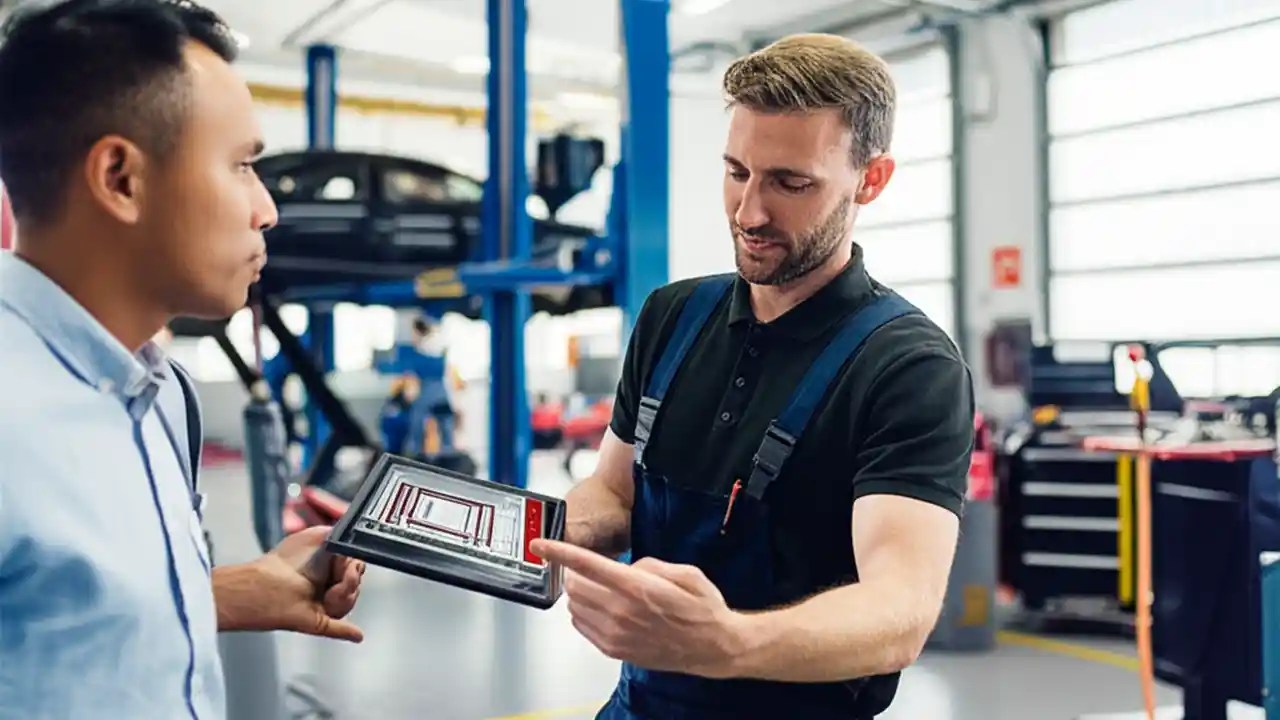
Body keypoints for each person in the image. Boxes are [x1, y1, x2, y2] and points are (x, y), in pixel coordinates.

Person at [530, 33, 975, 719]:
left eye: (789, 183)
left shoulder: (908, 367)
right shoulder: (671, 317)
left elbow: (901, 609)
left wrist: (730, 642)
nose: (749, 213)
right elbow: (613, 489)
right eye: (737, 172)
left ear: (871, 179)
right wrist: (548, 536)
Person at [0, 2, 365, 718]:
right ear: (121, 179)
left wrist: (234, 589)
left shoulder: (161, 394)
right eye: (242, 166)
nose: (267, 211)